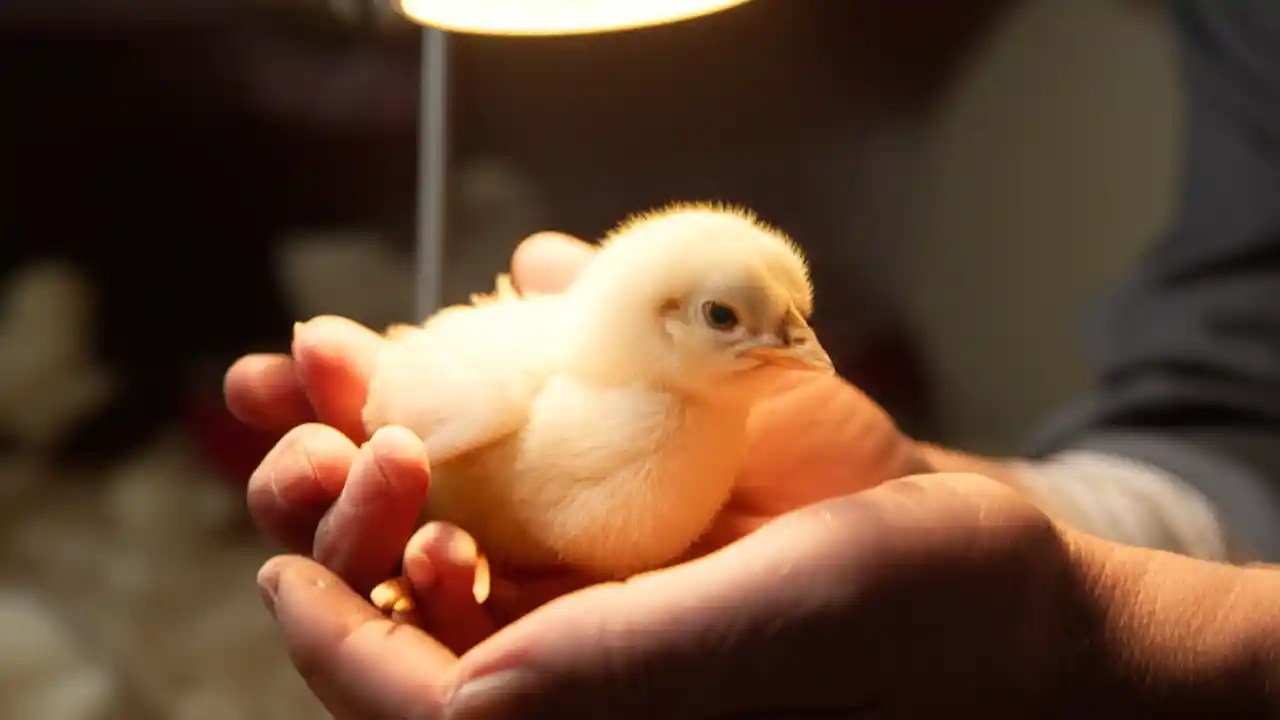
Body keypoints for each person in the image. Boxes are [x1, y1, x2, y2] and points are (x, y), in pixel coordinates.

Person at [224, 1, 1280, 717]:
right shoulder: (505, 385)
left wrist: (1097, 632)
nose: (798, 349)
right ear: (660, 314)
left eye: (789, 322)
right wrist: (956, 505)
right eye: (736, 320)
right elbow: (1232, 405)